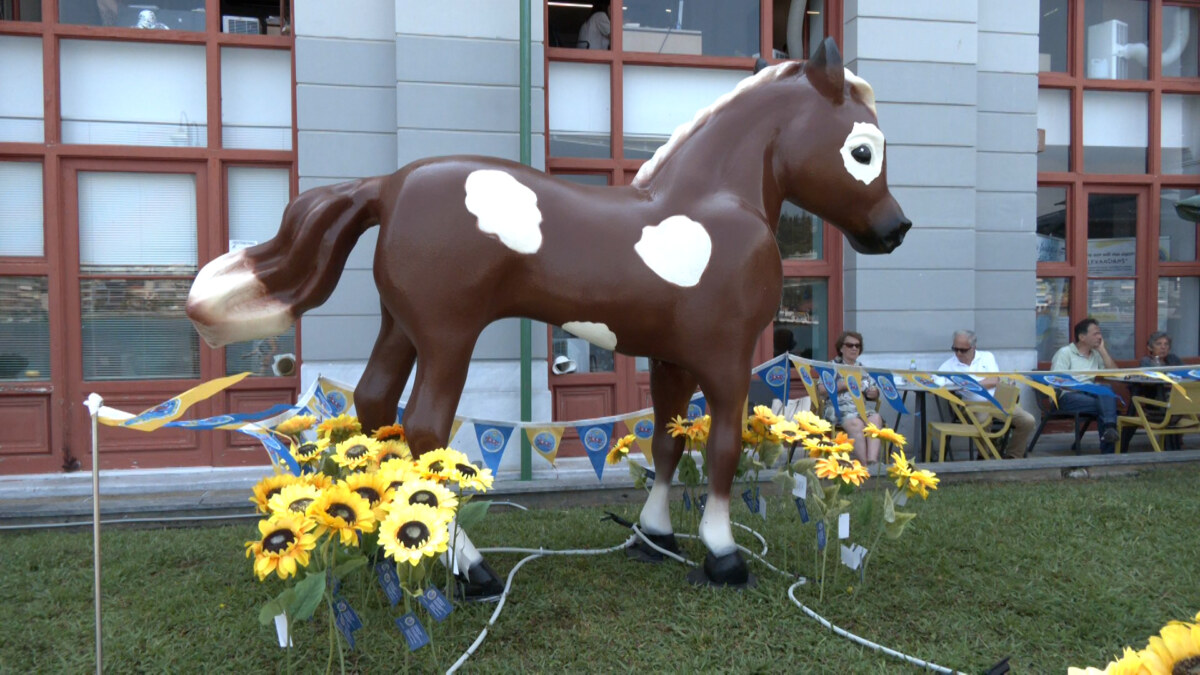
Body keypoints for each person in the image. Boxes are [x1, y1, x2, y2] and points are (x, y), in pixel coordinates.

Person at [937, 330, 1036, 459]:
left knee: (1028, 421)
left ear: (973, 347)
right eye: (955, 349)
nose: (958, 354)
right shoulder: (949, 365)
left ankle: (1013, 457)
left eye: (963, 350)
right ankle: (984, 456)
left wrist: (969, 384)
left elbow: (995, 379)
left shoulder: (987, 357)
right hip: (972, 405)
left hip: (998, 402)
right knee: (983, 420)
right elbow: (936, 382)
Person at [1049, 318, 1120, 453]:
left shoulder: (1095, 354)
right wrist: (1083, 387)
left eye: (1100, 333)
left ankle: (1109, 430)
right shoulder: (1065, 353)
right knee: (1107, 406)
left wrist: (1103, 350)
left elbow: (1115, 374)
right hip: (1066, 395)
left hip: (1089, 394)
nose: (1099, 337)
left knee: (1106, 391)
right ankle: (1109, 451)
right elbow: (1057, 381)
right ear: (1082, 337)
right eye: (1095, 334)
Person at [816, 331, 884, 465]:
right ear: (841, 348)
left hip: (860, 408)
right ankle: (864, 466)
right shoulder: (831, 367)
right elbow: (822, 390)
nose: (854, 348)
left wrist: (873, 393)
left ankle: (872, 462)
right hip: (838, 407)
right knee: (856, 423)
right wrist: (843, 384)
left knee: (876, 418)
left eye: (857, 346)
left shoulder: (862, 368)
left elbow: (875, 391)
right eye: (850, 345)